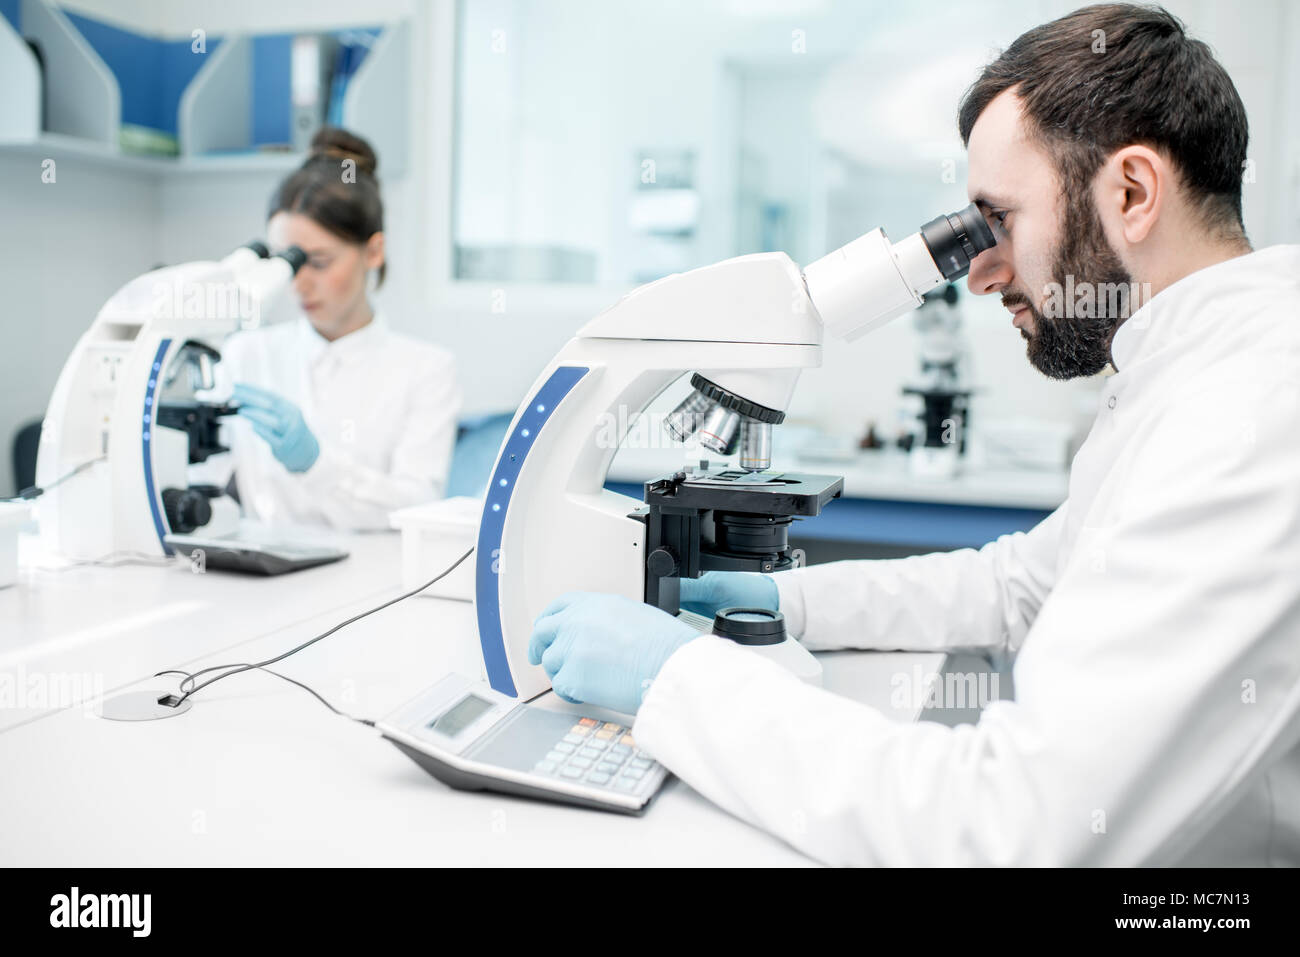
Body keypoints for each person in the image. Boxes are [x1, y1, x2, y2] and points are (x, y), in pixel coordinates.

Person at [527, 4, 1300, 865]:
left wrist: (674, 679)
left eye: (997, 220)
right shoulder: (1184, 364)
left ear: (1130, 193)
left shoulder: (1251, 410)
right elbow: (1021, 586)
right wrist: (786, 605)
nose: (976, 271)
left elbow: (1009, 828)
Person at [210, 127, 461, 531]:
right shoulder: (246, 355)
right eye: (286, 262)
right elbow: (209, 484)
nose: (299, 283)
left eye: (320, 262)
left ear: (373, 251)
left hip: (376, 585)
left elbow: (416, 510)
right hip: (260, 580)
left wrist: (317, 465)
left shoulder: (426, 371)